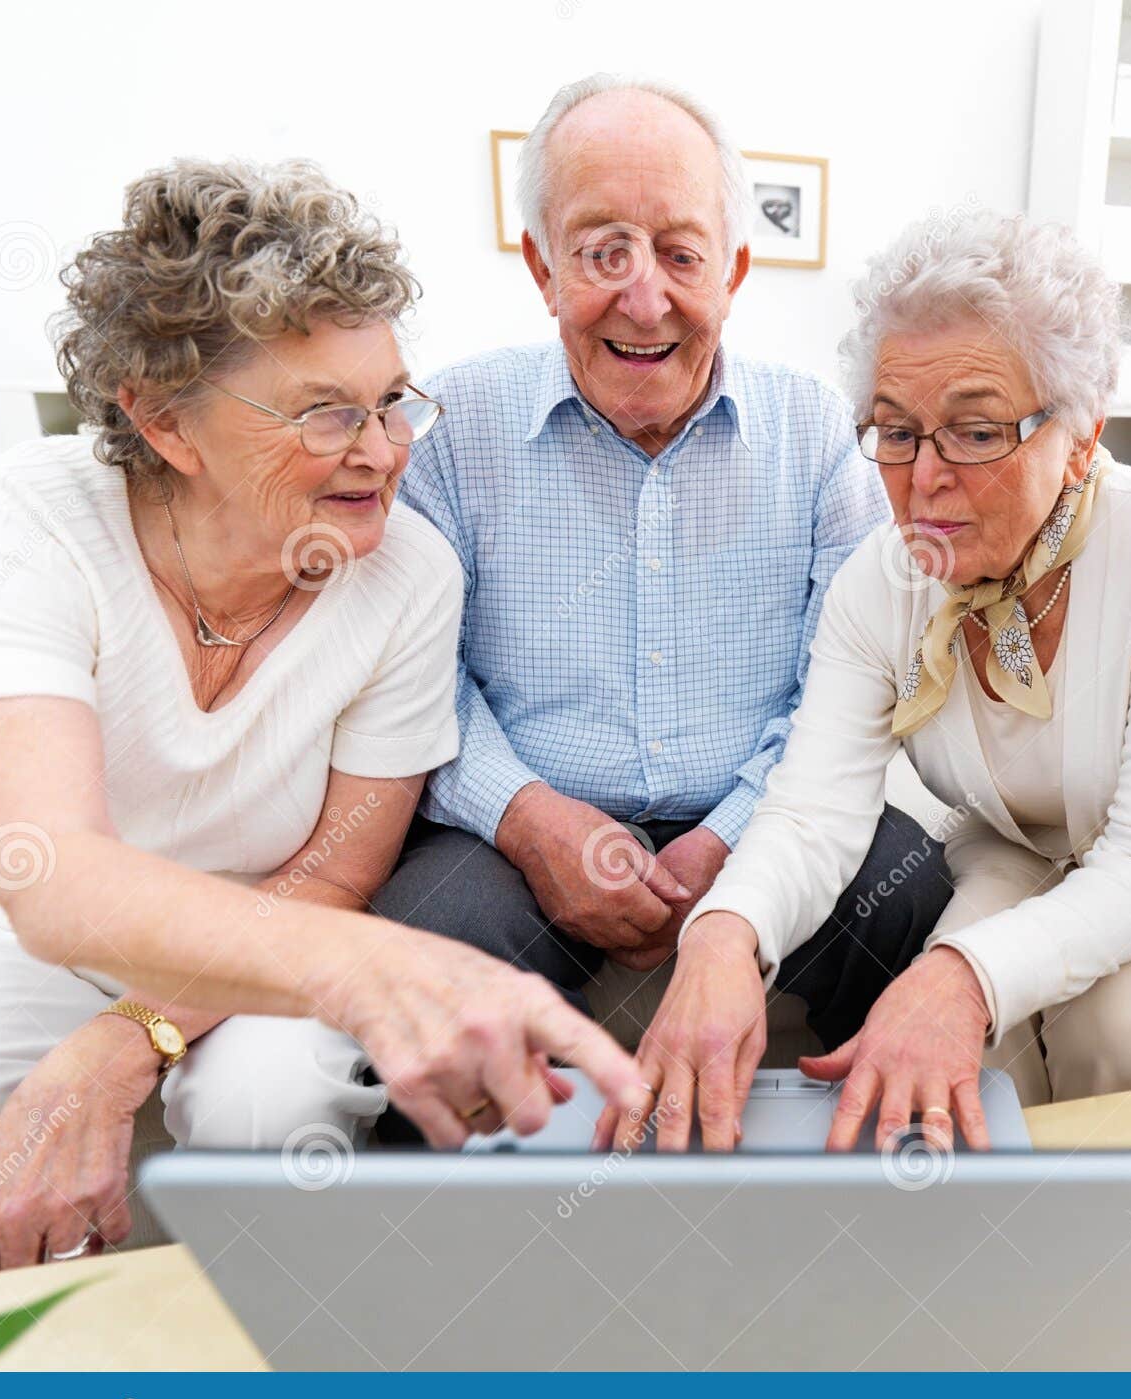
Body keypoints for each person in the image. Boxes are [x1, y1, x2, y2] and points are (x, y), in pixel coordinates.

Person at [0, 159, 643, 1273]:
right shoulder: (25, 523)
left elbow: (333, 872)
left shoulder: (408, 574)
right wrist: (367, 970)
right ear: (165, 421)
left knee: (272, 1106)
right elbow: (50, 875)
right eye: (327, 414)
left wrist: (133, 1032)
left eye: (390, 403)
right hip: (35, 942)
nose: (382, 454)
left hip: (267, 942)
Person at [629, 210, 1131, 1152]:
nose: (924, 480)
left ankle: (1121, 1270)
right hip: (1025, 843)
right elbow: (811, 812)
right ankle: (1000, 1259)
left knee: (1118, 1026)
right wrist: (723, 937)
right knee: (963, 1047)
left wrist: (963, 973)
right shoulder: (879, 581)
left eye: (974, 432)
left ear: (1080, 434)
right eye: (895, 431)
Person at [374, 75, 951, 1136]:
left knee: (906, 884)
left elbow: (853, 683)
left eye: (681, 255)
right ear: (542, 266)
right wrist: (533, 821)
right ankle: (446, 1258)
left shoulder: (821, 434)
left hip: (765, 808)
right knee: (424, 931)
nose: (645, 300)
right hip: (519, 823)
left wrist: (731, 839)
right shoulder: (452, 431)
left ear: (731, 271)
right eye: (602, 251)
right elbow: (413, 678)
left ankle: (874, 1200)